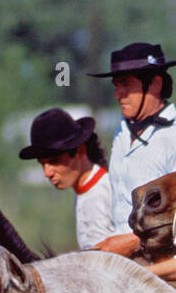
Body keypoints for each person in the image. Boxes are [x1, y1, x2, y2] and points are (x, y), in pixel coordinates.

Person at [88, 41, 176, 285]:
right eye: (116, 86)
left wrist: (133, 242)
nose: (117, 94)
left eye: (126, 85)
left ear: (155, 84)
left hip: (165, 267)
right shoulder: (121, 132)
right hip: (120, 260)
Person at [18, 107, 113, 251]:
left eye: (54, 161)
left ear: (80, 151)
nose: (47, 173)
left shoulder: (106, 190)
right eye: (42, 164)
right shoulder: (82, 192)